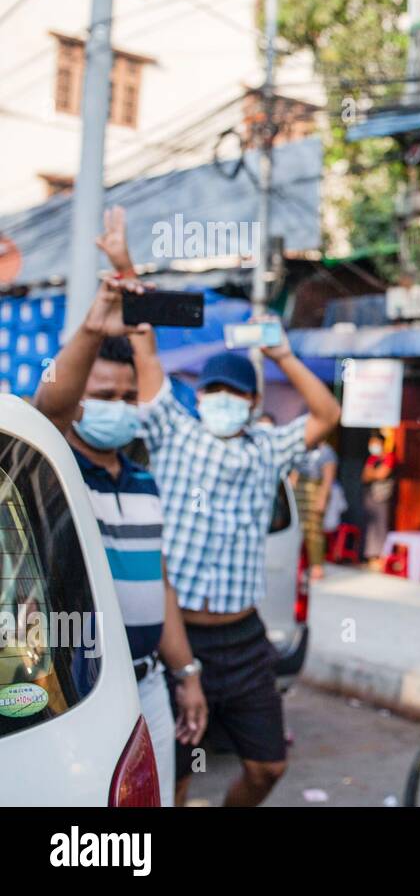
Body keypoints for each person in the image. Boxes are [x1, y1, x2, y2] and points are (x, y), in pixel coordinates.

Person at [95, 208, 342, 807]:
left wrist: (282, 354)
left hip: (244, 638)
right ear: (200, 396)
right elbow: (144, 341)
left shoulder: (268, 446)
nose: (224, 400)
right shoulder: (173, 431)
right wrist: (125, 267)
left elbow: (328, 417)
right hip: (181, 641)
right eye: (215, 391)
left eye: (236, 393)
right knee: (174, 777)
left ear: (254, 402)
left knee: (267, 767)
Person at [32, 268, 208, 807]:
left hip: (150, 681)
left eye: (128, 397)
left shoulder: (143, 481)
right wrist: (91, 327)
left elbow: (158, 582)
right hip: (81, 688)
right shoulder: (53, 467)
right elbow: (48, 410)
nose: (119, 407)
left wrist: (187, 674)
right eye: (103, 394)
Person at [291, 439, 337, 581]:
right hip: (299, 490)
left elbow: (328, 478)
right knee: (298, 529)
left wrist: (322, 498)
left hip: (315, 490)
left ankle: (317, 567)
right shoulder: (302, 448)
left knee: (314, 530)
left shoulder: (326, 452)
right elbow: (294, 473)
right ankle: (299, 565)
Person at [361, 431, 395, 568]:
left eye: (375, 442)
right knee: (370, 527)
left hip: (382, 497)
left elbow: (382, 474)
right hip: (370, 496)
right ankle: (371, 555)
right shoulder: (371, 459)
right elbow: (364, 476)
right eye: (371, 443)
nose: (373, 445)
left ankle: (381, 556)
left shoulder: (389, 457)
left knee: (381, 525)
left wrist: (373, 474)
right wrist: (374, 473)